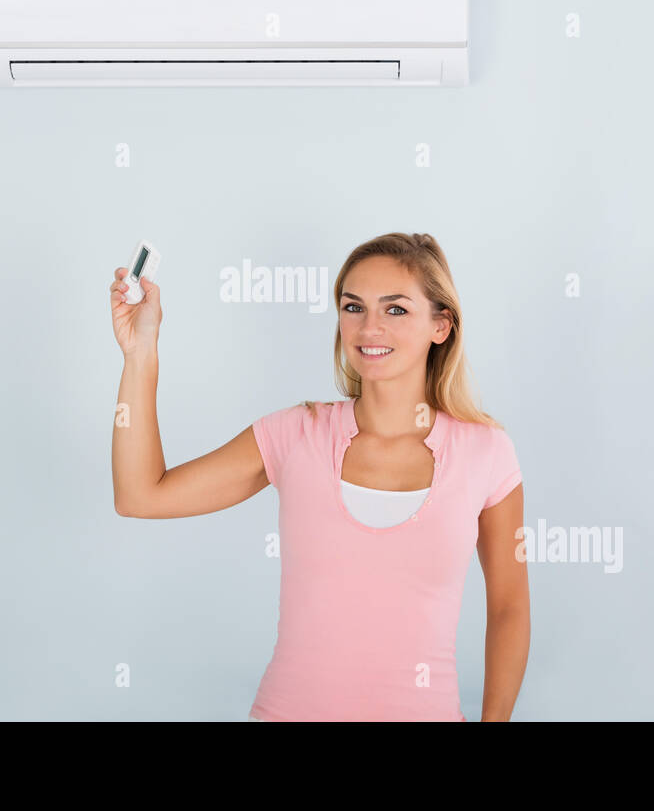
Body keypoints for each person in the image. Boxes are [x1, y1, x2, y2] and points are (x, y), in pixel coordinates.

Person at [109, 232, 528, 721]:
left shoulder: (485, 452)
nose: (370, 327)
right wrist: (141, 354)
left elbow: (509, 608)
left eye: (395, 310)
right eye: (354, 307)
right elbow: (140, 495)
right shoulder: (295, 435)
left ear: (441, 325)